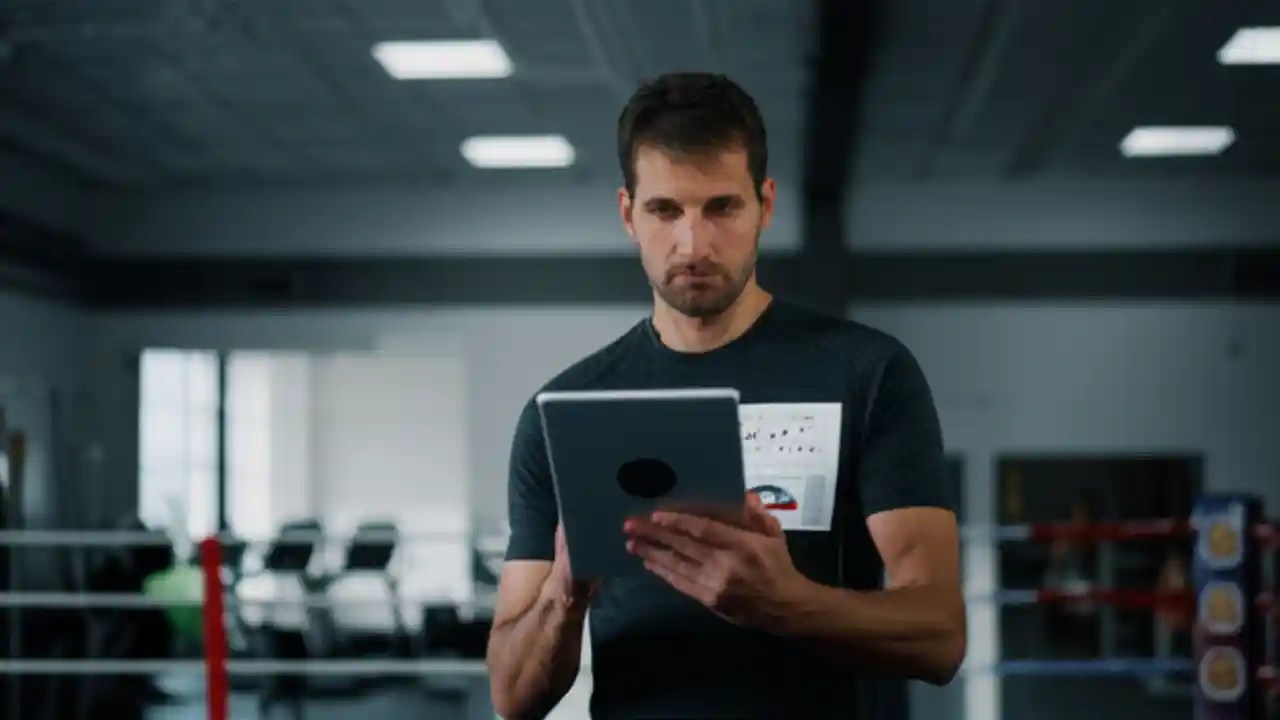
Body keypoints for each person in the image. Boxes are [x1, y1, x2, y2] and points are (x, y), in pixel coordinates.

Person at [485, 72, 965, 720]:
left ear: (764, 205)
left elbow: (939, 635)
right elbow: (511, 698)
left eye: (721, 207)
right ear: (628, 213)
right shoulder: (566, 411)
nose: (694, 244)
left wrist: (785, 601)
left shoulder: (867, 372)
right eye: (665, 211)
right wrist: (562, 598)